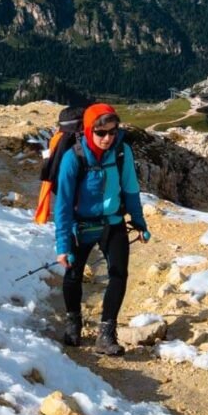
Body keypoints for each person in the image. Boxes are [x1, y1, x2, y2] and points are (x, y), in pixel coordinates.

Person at [54, 103, 150, 355]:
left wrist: (139, 222)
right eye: (101, 133)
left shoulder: (122, 152)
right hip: (80, 226)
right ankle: (73, 321)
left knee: (118, 274)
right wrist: (63, 245)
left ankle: (106, 333)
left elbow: (130, 188)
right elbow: (63, 204)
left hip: (113, 222)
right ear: (88, 130)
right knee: (73, 275)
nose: (108, 138)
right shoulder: (72, 157)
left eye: (113, 131)